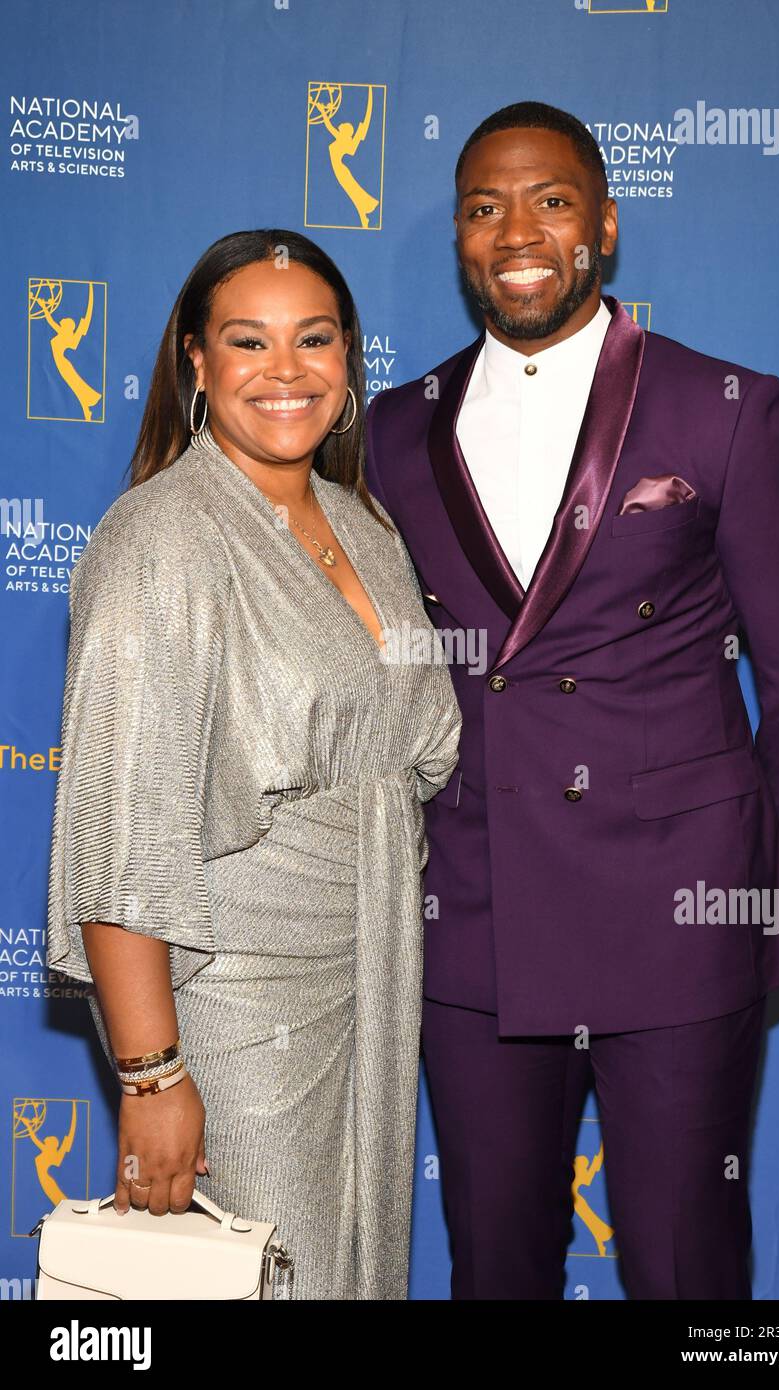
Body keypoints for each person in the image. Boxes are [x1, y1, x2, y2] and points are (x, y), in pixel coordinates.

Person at [363, 101, 779, 1300]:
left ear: (604, 224)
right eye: (484, 207)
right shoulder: (391, 430)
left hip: (678, 919)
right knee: (491, 1260)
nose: (516, 230)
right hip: (476, 918)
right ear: (458, 240)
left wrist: (767, 879)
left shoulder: (724, 408)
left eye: (548, 200)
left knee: (688, 1265)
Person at [46, 228, 462, 1300]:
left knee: (346, 1273)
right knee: (271, 1280)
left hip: (368, 968)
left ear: (348, 360)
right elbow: (119, 827)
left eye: (313, 339)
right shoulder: (161, 541)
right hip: (235, 998)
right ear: (195, 362)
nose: (286, 371)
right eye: (248, 341)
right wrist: (151, 1076)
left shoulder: (361, 524)